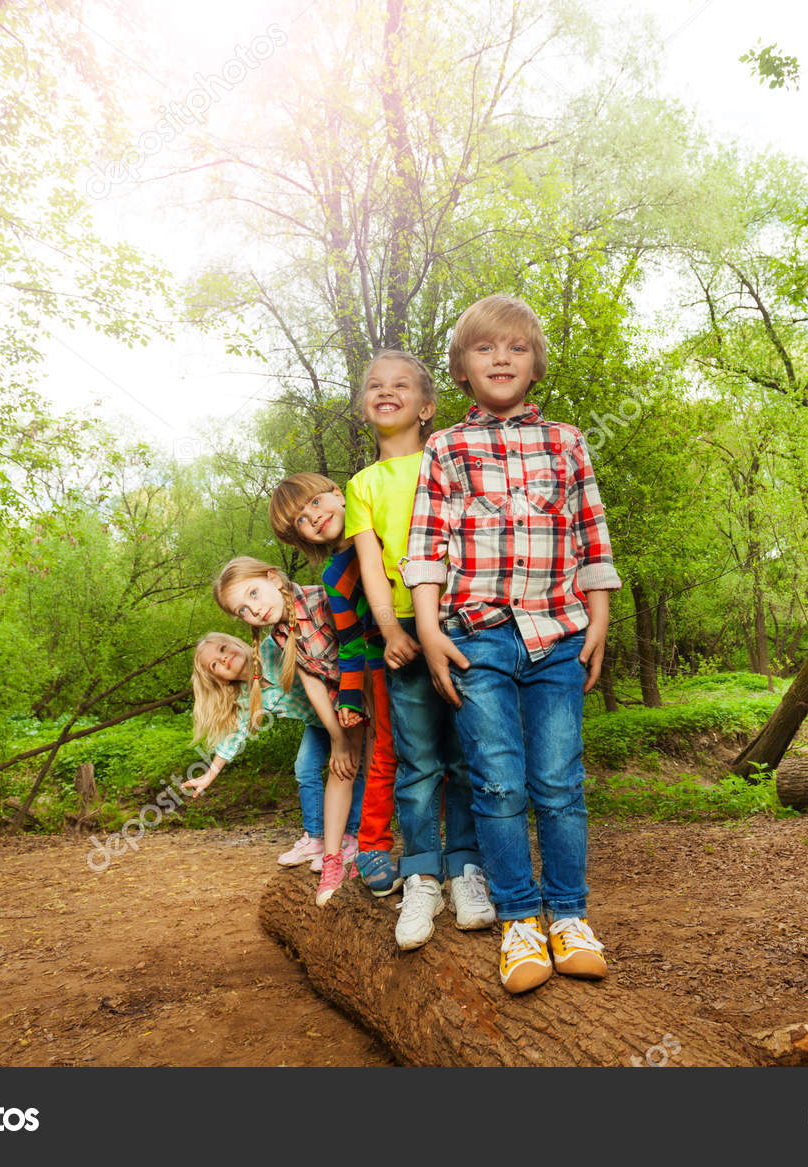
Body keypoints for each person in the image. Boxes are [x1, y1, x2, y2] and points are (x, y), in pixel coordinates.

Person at [402, 295, 620, 993]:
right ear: (462, 369)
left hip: (558, 636)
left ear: (535, 365)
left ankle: (569, 913)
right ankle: (519, 920)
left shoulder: (566, 441)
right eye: (485, 348)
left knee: (557, 782)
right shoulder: (446, 448)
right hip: (477, 641)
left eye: (516, 348)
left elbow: (593, 538)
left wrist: (600, 621)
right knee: (496, 781)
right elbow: (426, 548)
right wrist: (429, 631)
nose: (501, 357)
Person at [345, 350, 495, 950]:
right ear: (364, 407)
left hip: (465, 621)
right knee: (417, 762)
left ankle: (465, 871)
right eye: (375, 386)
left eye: (401, 384)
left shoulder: (449, 458)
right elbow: (371, 568)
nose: (387, 391)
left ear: (426, 406)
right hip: (404, 633)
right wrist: (391, 631)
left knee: (467, 758)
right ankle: (422, 875)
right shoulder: (362, 485)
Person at [268, 471, 403, 897]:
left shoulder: (386, 528)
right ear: (301, 539)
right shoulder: (333, 577)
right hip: (379, 666)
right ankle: (349, 854)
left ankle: (451, 860)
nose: (313, 517)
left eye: (314, 503)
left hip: (432, 640)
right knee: (380, 759)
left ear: (337, 493)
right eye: (301, 521)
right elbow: (349, 643)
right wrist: (348, 698)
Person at [214, 557, 363, 905]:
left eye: (254, 593)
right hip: (339, 704)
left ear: (271, 577)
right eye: (243, 610)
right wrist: (338, 737)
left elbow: (359, 649)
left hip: (368, 689)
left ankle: (370, 850)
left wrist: (354, 707)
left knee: (382, 769)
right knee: (340, 767)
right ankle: (332, 858)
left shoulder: (321, 599)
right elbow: (313, 684)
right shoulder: (281, 635)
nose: (254, 609)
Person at [181, 632, 346, 872]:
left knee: (348, 770)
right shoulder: (247, 697)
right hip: (320, 724)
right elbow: (233, 738)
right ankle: (315, 838)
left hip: (343, 709)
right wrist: (209, 775)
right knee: (304, 766)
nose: (224, 659)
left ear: (236, 643)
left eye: (223, 649)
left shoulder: (272, 648)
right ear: (220, 680)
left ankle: (351, 837)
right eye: (215, 664)